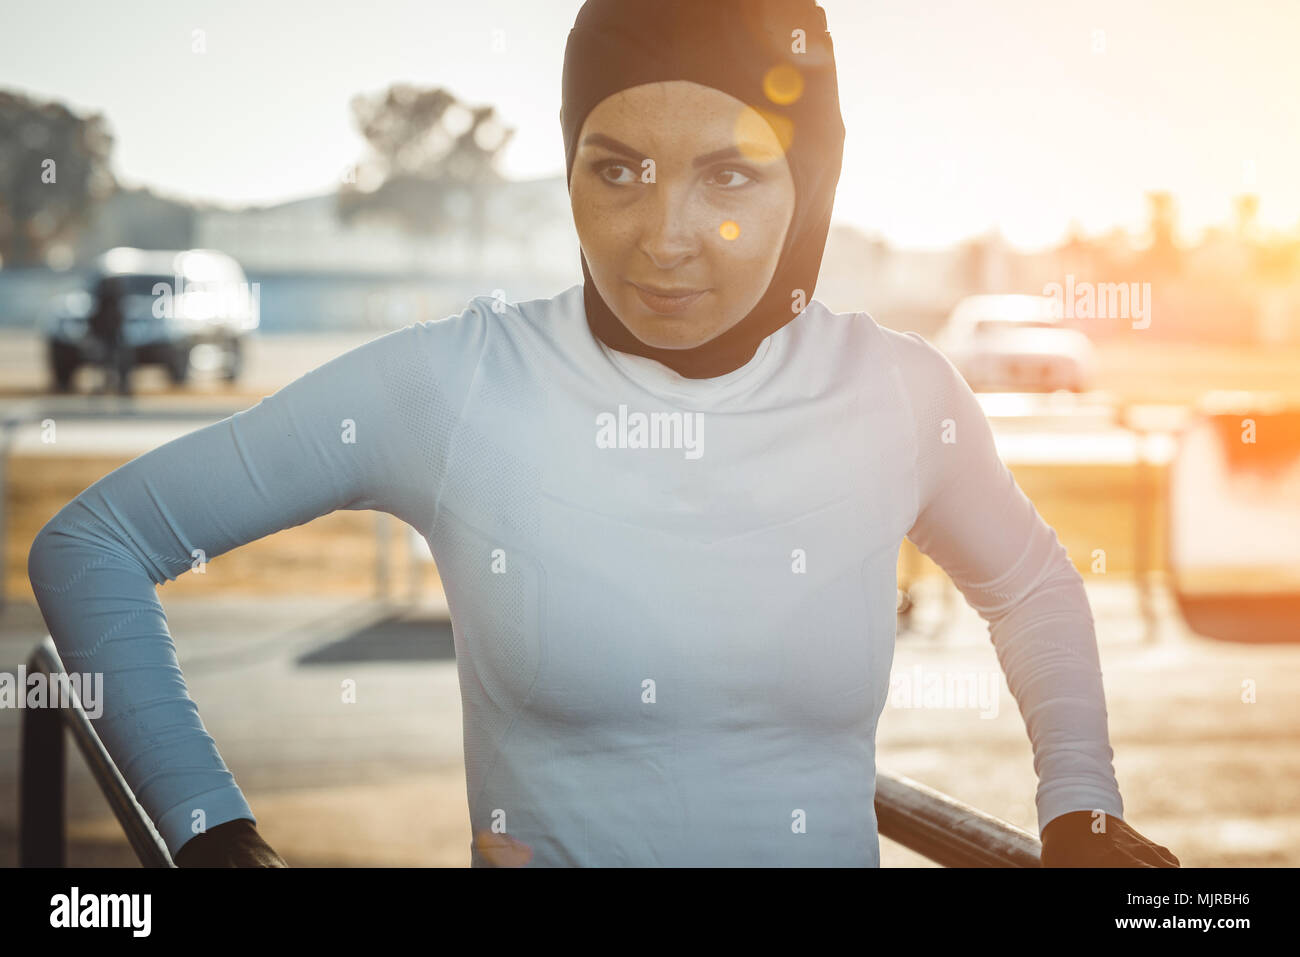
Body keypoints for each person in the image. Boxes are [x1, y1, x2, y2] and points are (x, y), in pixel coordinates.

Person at [27, 0, 1177, 868]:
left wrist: (1077, 805)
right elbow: (93, 545)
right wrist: (212, 838)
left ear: (810, 185)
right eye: (616, 169)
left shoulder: (896, 392)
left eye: (729, 173)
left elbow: (1030, 586)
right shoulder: (458, 385)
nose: (663, 237)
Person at [87, 274, 133, 396]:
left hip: (113, 339)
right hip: (108, 338)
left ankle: (120, 385)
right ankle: (114, 385)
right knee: (104, 363)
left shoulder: (113, 305)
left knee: (115, 362)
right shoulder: (106, 305)